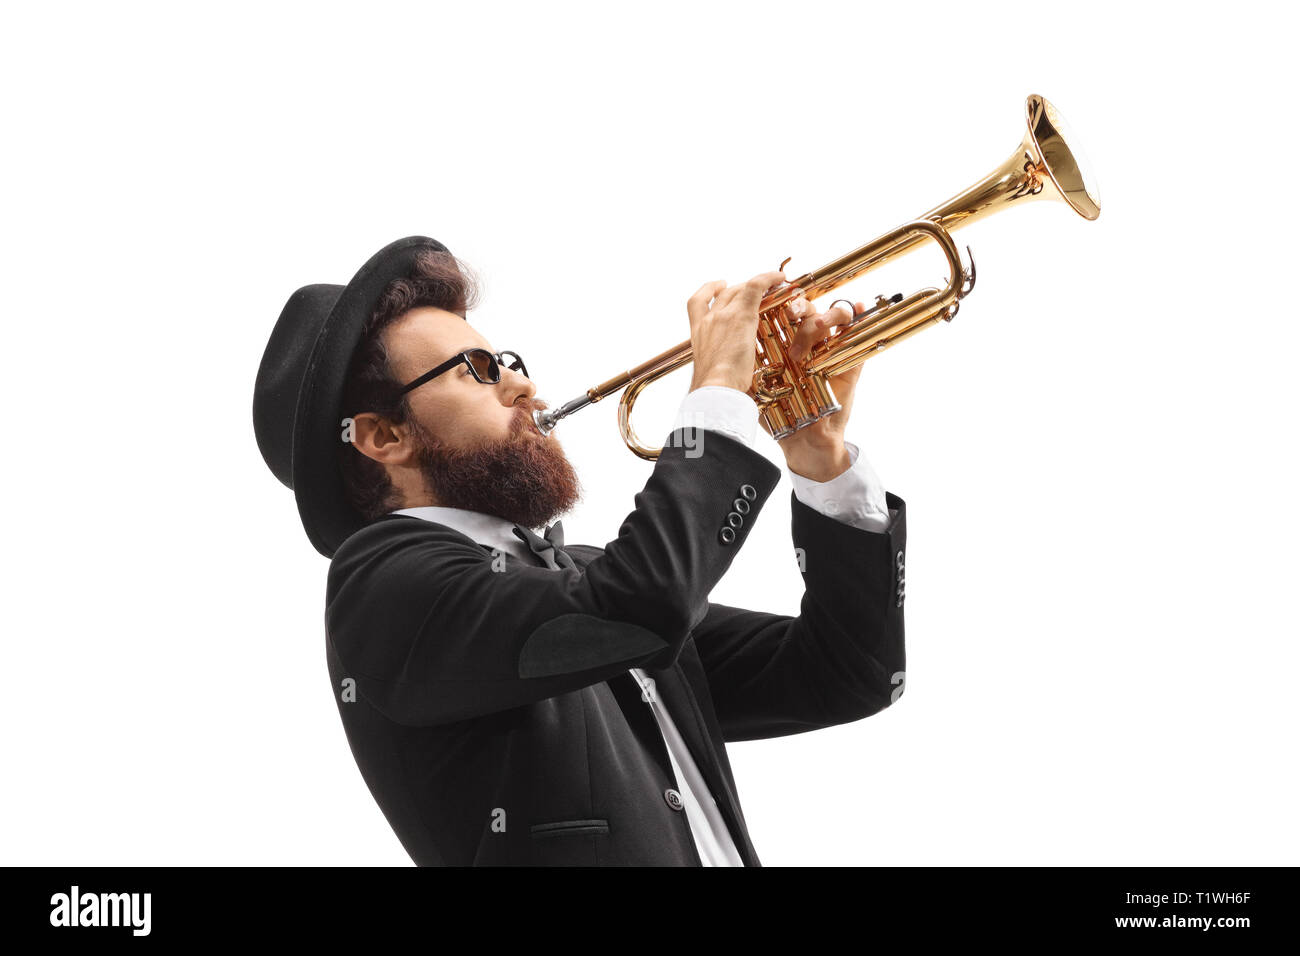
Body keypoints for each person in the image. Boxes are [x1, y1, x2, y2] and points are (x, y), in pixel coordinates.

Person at [253, 235, 908, 866]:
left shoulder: (581, 576)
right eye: (478, 371)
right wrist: (716, 393)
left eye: (510, 362)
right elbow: (643, 600)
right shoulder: (383, 586)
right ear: (383, 437)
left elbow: (848, 674)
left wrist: (819, 459)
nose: (520, 386)